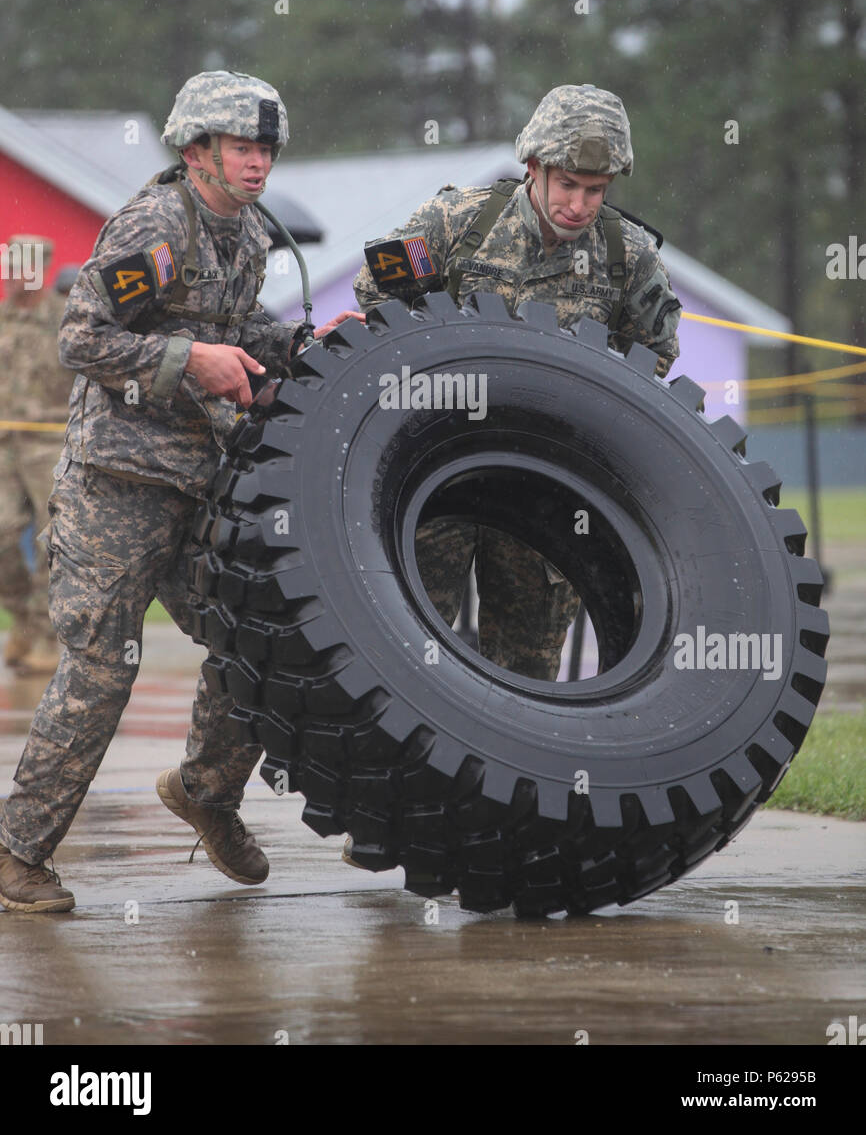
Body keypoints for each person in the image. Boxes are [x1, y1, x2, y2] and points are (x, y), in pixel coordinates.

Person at [0, 70, 363, 913]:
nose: (259, 165)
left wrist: (315, 341)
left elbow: (236, 336)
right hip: (117, 484)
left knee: (255, 636)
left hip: (201, 479)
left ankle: (205, 790)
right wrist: (188, 363)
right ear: (198, 150)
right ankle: (17, 853)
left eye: (267, 149)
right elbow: (83, 336)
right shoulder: (156, 225)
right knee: (102, 667)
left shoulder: (246, 236)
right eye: (243, 148)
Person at [353, 83, 682, 682]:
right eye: (567, 185)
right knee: (410, 643)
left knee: (529, 667)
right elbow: (376, 303)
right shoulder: (456, 220)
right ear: (534, 167)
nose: (579, 204)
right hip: (437, 469)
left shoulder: (625, 255)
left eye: (595, 191)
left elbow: (654, 359)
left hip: (546, 481)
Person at [0, 235, 72, 679]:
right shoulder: (3, 320)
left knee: (52, 542)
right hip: (4, 445)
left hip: (51, 443)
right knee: (3, 534)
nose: (12, 275)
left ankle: (46, 636)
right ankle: (22, 618)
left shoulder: (66, 320)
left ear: (41, 269)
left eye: (21, 267)